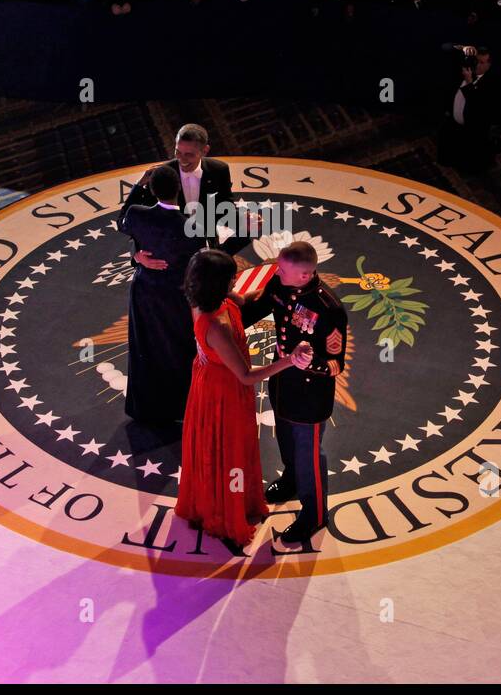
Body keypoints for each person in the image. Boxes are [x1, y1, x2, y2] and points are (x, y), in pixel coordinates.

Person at [176, 249, 311, 552]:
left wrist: (279, 286)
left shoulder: (211, 299)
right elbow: (247, 376)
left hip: (213, 381)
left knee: (221, 449)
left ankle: (223, 501)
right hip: (222, 393)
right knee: (228, 451)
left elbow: (247, 299)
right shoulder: (215, 326)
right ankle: (224, 514)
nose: (235, 280)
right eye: (230, 277)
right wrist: (290, 360)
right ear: (218, 283)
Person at [236, 241, 348, 545]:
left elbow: (336, 364)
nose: (276, 272)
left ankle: (314, 513)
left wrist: (309, 363)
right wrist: (224, 318)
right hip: (282, 381)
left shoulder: (328, 308)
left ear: (304, 275)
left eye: (283, 270)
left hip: (311, 394)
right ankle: (290, 481)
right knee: (285, 437)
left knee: (308, 453)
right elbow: (257, 309)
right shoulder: (280, 283)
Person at [119, 166, 207, 423]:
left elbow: (122, 220)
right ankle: (181, 408)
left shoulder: (137, 214)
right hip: (176, 297)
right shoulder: (191, 226)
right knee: (178, 348)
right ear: (178, 188)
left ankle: (147, 408)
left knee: (145, 346)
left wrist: (139, 185)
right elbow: (199, 262)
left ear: (151, 189)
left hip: (145, 293)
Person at [117, 123, 249, 261]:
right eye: (177, 152)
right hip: (168, 253)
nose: (182, 159)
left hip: (206, 247)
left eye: (189, 154)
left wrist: (242, 221)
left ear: (205, 150)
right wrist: (137, 255)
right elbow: (141, 221)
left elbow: (225, 207)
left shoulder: (219, 170)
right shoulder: (162, 175)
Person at [436, 46, 500, 173]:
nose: (477, 65)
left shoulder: (492, 83)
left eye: (482, 62)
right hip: (453, 123)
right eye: (476, 61)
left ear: (489, 65)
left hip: (471, 131)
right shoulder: (466, 71)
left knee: (466, 160)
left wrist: (470, 82)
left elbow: (478, 105)